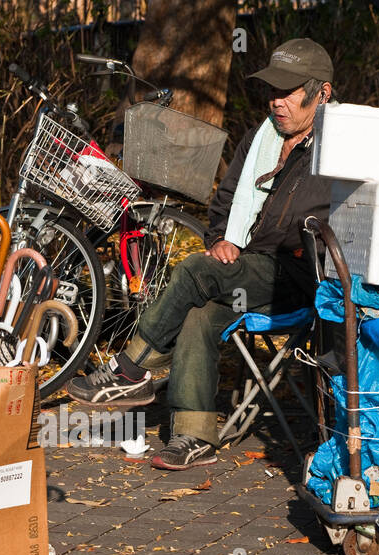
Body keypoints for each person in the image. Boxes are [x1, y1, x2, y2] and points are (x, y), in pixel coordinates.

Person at [66, 38, 335, 470]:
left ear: (321, 93)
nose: (276, 101)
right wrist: (219, 240)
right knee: (199, 312)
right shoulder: (261, 137)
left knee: (194, 270)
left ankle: (130, 368)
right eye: (272, 90)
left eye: (288, 91)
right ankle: (194, 435)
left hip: (299, 277)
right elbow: (225, 201)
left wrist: (229, 252)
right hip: (249, 270)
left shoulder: (338, 147)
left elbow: (313, 223)